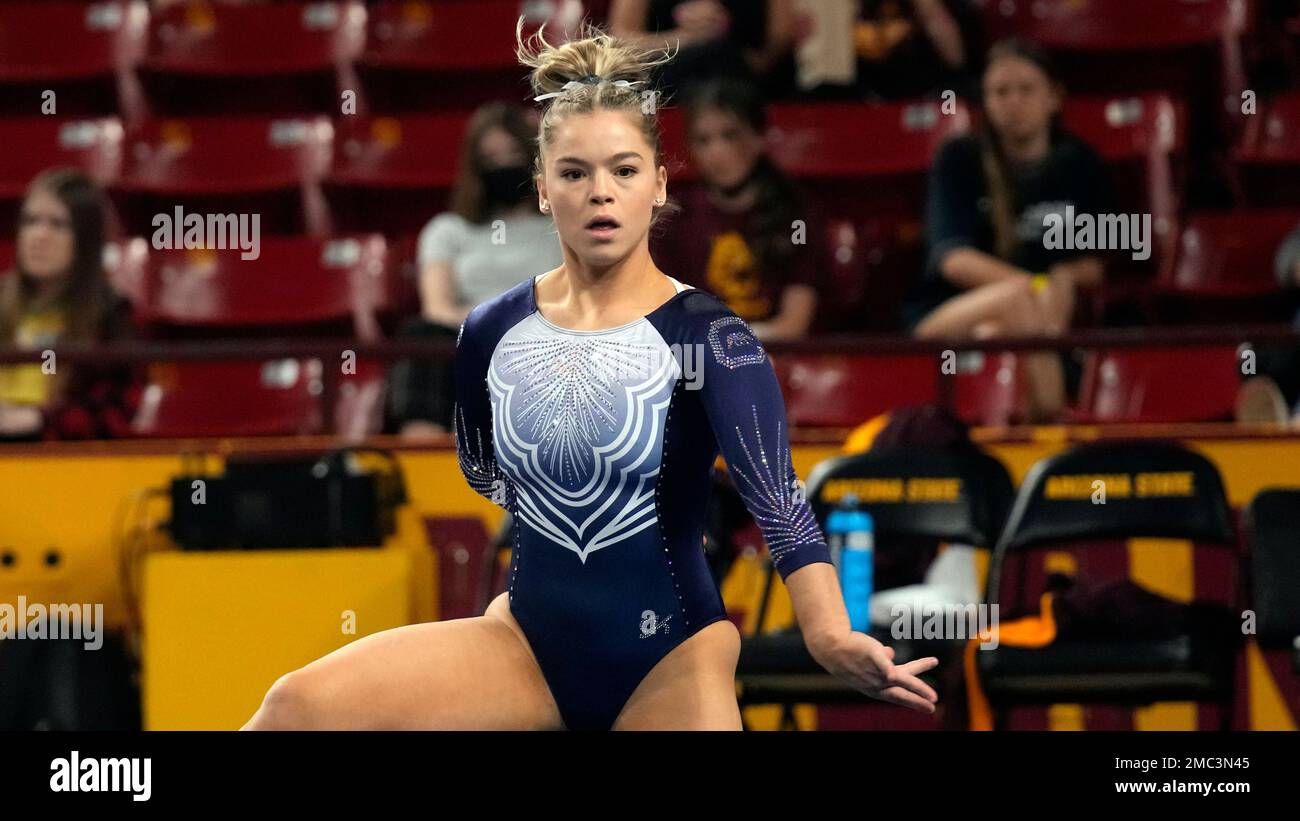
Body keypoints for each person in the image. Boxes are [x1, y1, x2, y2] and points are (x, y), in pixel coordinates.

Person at [242, 18, 938, 731]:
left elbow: (780, 501)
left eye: (624, 170)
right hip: (524, 646)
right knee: (293, 709)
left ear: (659, 186)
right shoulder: (489, 331)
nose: (600, 192)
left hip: (671, 659)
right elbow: (484, 473)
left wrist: (826, 632)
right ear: (544, 189)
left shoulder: (708, 334)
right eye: (575, 173)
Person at [903, 39, 1110, 422]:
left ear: (1054, 97)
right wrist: (1036, 288)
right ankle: (1054, 426)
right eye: (1000, 92)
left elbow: (1095, 264)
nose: (1012, 102)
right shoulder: (959, 158)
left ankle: (1002, 440)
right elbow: (954, 261)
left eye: (1026, 90)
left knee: (994, 334)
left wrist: (1062, 278)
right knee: (1016, 299)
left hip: (1025, 323)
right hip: (945, 315)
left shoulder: (1080, 163)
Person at [386, 102, 564, 439]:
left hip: (546, 335)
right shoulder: (448, 230)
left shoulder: (564, 226)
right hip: (466, 335)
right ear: (475, 167)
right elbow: (437, 309)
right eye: (490, 159)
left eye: (512, 154)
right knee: (422, 334)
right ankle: (423, 448)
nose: (503, 166)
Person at [649, 77, 822, 341]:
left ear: (759, 137)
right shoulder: (674, 219)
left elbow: (793, 324)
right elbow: (665, 317)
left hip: (777, 359)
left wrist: (727, 342)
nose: (717, 152)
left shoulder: (796, 217)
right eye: (704, 140)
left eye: (730, 135)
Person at [0, 169, 141, 441]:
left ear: (85, 240)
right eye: (30, 221)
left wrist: (39, 420)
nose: (39, 235)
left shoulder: (110, 315)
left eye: (57, 224)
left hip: (60, 457)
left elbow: (116, 409)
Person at [608, 0, 800, 101]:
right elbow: (621, 40)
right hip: (668, 83)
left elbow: (780, 37)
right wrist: (686, 38)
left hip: (747, 84)